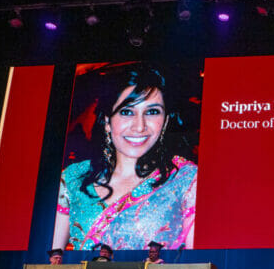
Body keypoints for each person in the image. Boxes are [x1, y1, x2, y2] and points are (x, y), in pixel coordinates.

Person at [53, 62, 197, 251]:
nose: (139, 126)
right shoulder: (73, 178)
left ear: (166, 120)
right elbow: (50, 264)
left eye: (152, 112)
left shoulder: (184, 178)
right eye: (127, 112)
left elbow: (197, 267)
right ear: (107, 122)